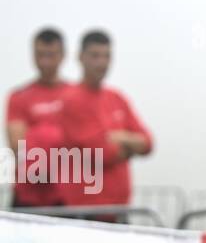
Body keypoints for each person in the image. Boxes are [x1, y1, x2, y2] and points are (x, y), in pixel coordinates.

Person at [61, 31, 153, 218]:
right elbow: (104, 153)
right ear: (80, 57)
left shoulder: (117, 98)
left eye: (107, 56)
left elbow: (148, 143)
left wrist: (120, 138)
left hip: (118, 211)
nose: (101, 63)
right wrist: (129, 145)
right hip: (83, 214)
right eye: (95, 55)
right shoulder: (72, 100)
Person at [5, 28, 71, 209]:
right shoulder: (19, 96)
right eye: (40, 54)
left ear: (63, 55)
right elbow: (18, 145)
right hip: (26, 196)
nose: (45, 61)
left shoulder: (75, 96)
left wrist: (37, 135)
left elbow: (83, 142)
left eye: (51, 54)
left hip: (66, 197)